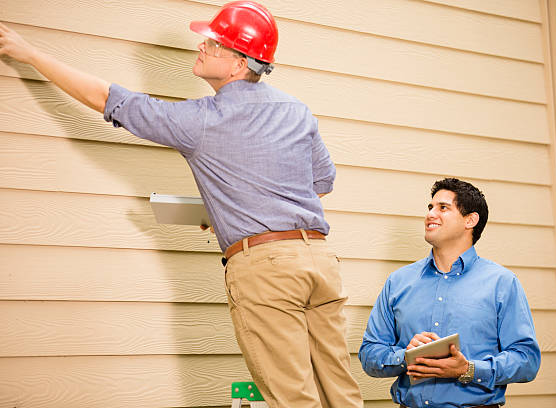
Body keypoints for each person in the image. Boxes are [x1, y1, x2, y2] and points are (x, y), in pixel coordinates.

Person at [0, 2, 363, 407]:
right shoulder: (297, 111)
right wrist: (236, 207)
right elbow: (321, 183)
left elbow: (107, 98)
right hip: (318, 261)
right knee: (340, 391)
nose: (202, 46)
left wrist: (27, 52)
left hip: (265, 271)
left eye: (214, 43)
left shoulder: (202, 120)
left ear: (240, 64)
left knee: (291, 397)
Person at [358, 178, 540, 408]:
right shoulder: (398, 282)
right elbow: (369, 354)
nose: (431, 214)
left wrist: (468, 369)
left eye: (443, 208)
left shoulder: (502, 283)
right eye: (430, 207)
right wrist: (406, 357)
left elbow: (527, 360)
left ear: (470, 220)